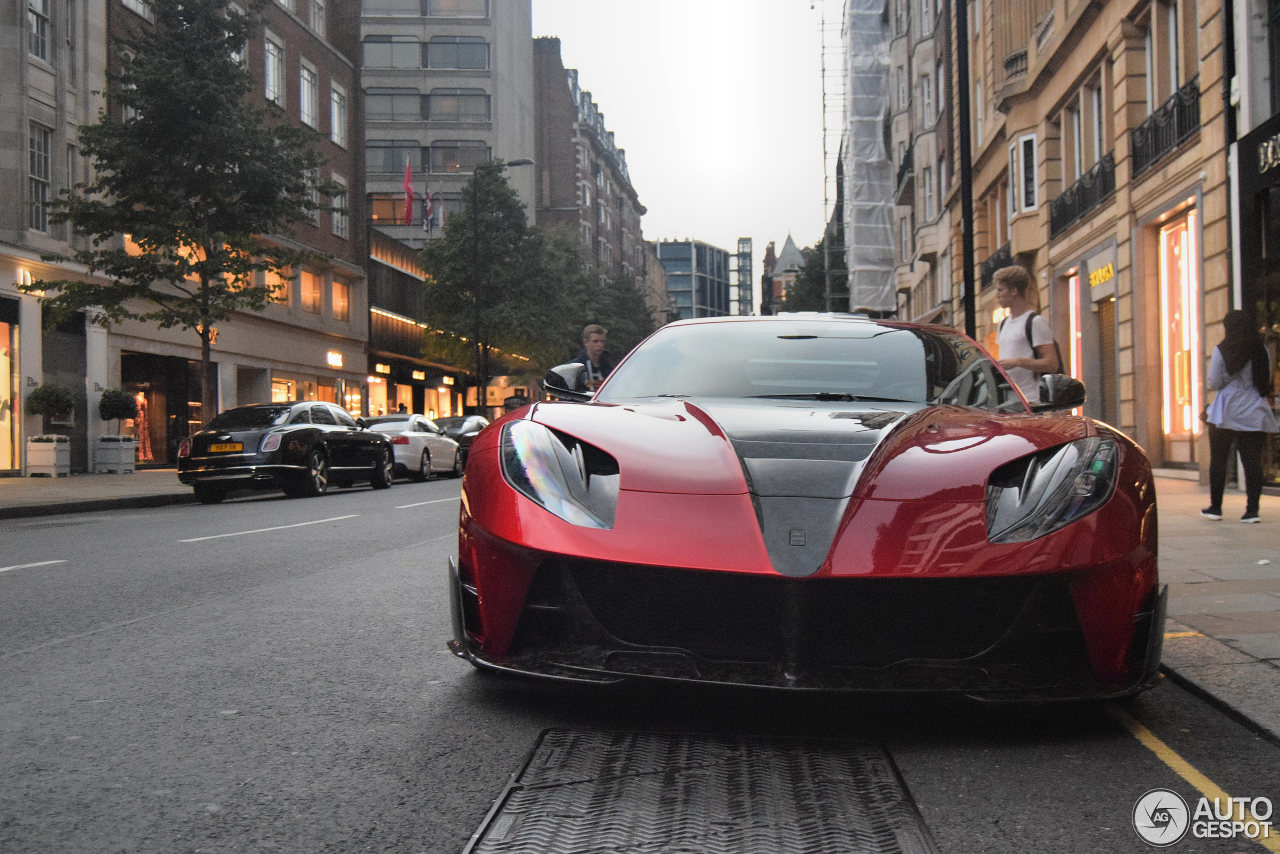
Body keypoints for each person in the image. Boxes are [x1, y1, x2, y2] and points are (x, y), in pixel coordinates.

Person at [1201, 310, 1277, 523]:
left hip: (1225, 411)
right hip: (1254, 411)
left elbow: (1213, 382)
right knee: (1252, 462)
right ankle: (1252, 511)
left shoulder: (1222, 350)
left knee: (1219, 460)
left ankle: (1215, 508)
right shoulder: (1261, 350)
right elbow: (1266, 379)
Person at [993, 265, 1060, 403]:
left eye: (1000, 289)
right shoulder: (1003, 324)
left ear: (1013, 291)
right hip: (1007, 400)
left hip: (1030, 399)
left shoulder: (1035, 322)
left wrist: (1018, 362)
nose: (997, 295)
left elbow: (1052, 364)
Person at [572, 323, 616, 392]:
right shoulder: (576, 368)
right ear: (585, 342)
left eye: (603, 341)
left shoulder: (609, 367)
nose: (600, 345)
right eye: (595, 341)